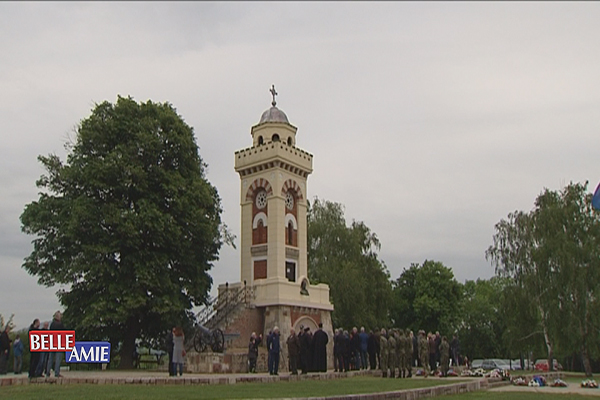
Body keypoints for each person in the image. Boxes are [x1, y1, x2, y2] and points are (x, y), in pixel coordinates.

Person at [46, 311, 66, 377]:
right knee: (58, 358)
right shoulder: (60, 324)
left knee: (50, 358)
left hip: (52, 343)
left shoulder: (52, 324)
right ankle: (56, 372)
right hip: (58, 343)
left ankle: (47, 371)